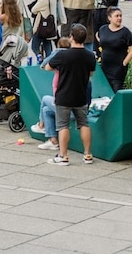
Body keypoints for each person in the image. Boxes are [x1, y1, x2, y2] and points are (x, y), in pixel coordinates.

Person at [43, 24, 95, 166]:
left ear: (71, 37)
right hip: (81, 96)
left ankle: (63, 156)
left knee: (63, 126)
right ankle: (88, 155)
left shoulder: (62, 55)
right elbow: (91, 74)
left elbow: (47, 67)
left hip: (64, 96)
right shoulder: (90, 56)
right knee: (84, 124)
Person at [95, 7, 132, 92]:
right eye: (116, 16)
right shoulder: (103, 29)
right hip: (105, 65)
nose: (119, 18)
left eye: (120, 16)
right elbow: (100, 39)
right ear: (109, 18)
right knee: (104, 91)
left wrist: (124, 63)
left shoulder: (125, 32)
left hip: (118, 68)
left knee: (115, 90)